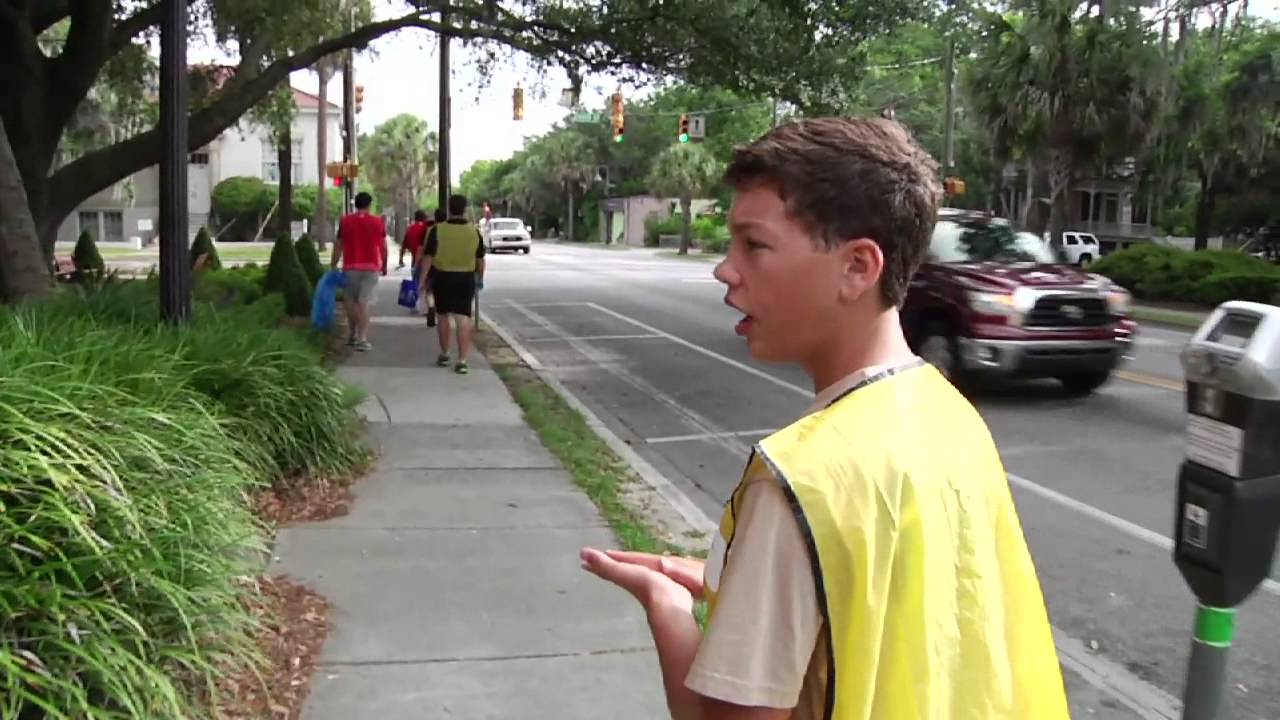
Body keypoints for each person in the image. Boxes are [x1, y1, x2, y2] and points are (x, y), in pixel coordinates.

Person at [579, 118, 1070, 720]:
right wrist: (743, 586)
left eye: (753, 245)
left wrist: (665, 607)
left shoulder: (800, 482)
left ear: (858, 267)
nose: (724, 269)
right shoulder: (951, 413)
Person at [417, 194, 485, 374]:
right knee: (463, 317)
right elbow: (480, 260)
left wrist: (422, 280)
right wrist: (480, 279)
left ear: (449, 208)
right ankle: (462, 360)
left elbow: (428, 257)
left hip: (443, 276)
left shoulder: (437, 230)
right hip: (466, 277)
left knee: (444, 315)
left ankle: (445, 353)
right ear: (464, 209)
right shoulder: (474, 231)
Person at [330, 191, 387, 352]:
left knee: (350, 302)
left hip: (350, 267)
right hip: (370, 267)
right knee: (364, 303)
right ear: (369, 204)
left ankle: (352, 333)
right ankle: (362, 338)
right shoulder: (377, 222)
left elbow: (339, 244)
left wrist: (333, 264)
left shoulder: (345, 221)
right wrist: (384, 264)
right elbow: (382, 246)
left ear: (355, 204)